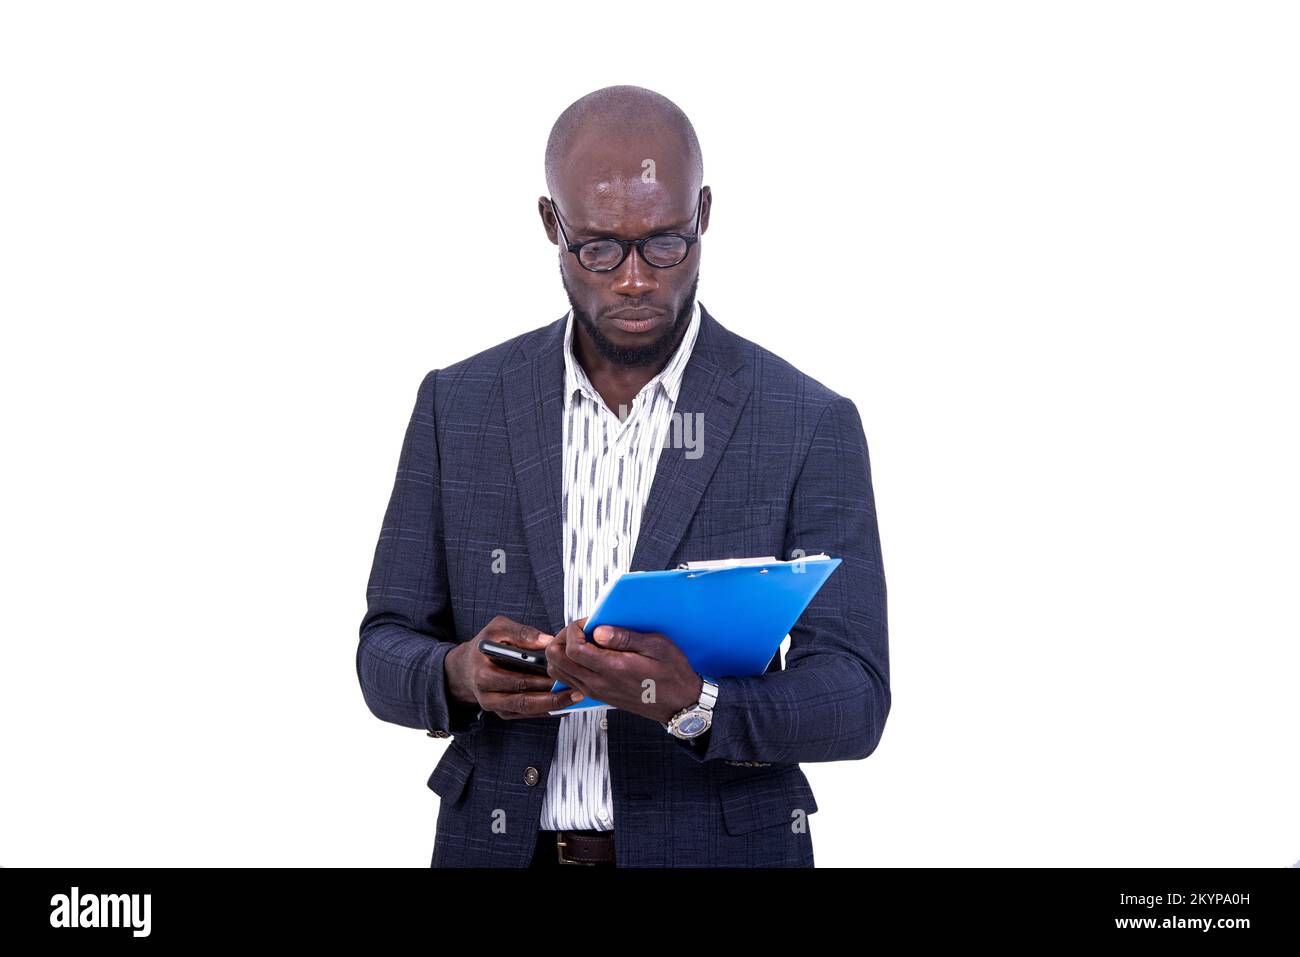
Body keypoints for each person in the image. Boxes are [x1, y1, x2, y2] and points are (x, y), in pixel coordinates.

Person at [357, 85, 890, 867]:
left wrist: (694, 703)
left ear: (703, 213)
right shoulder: (458, 405)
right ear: (552, 224)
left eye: (665, 244)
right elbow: (382, 649)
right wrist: (459, 672)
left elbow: (855, 696)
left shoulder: (805, 421)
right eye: (600, 248)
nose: (636, 280)